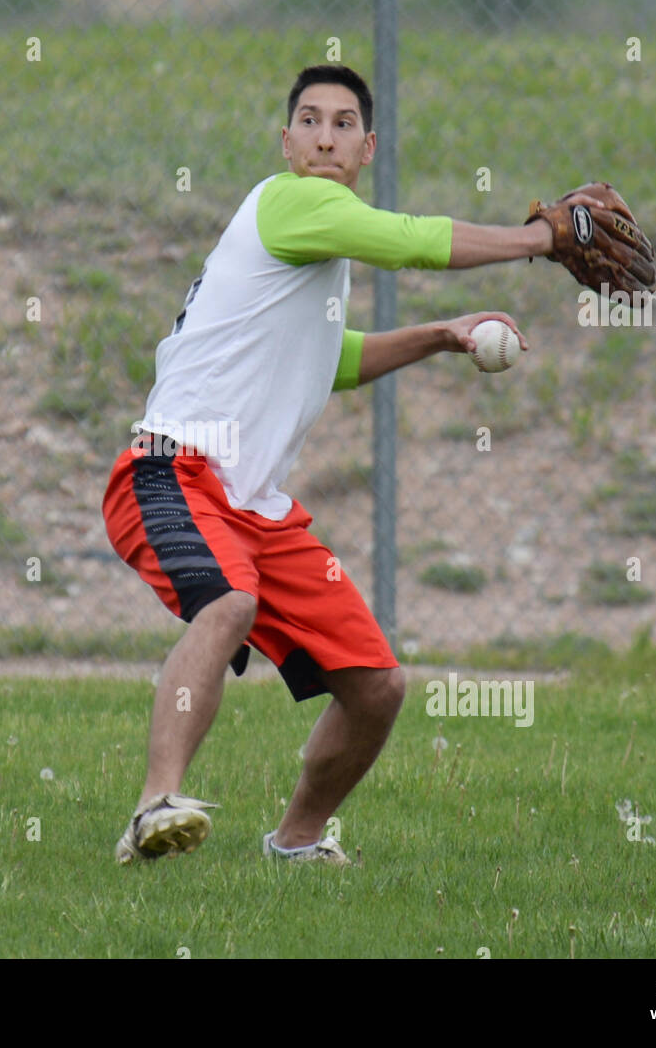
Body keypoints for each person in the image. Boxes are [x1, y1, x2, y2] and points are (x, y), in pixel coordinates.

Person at [102, 63, 596, 866]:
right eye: (308, 120)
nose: (323, 135)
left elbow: (332, 358)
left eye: (341, 124)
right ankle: (155, 805)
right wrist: (541, 238)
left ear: (367, 146)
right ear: (285, 141)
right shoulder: (294, 201)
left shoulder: (312, 246)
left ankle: (295, 843)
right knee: (228, 603)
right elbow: (408, 243)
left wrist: (440, 336)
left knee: (376, 686)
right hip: (172, 470)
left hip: (254, 504)